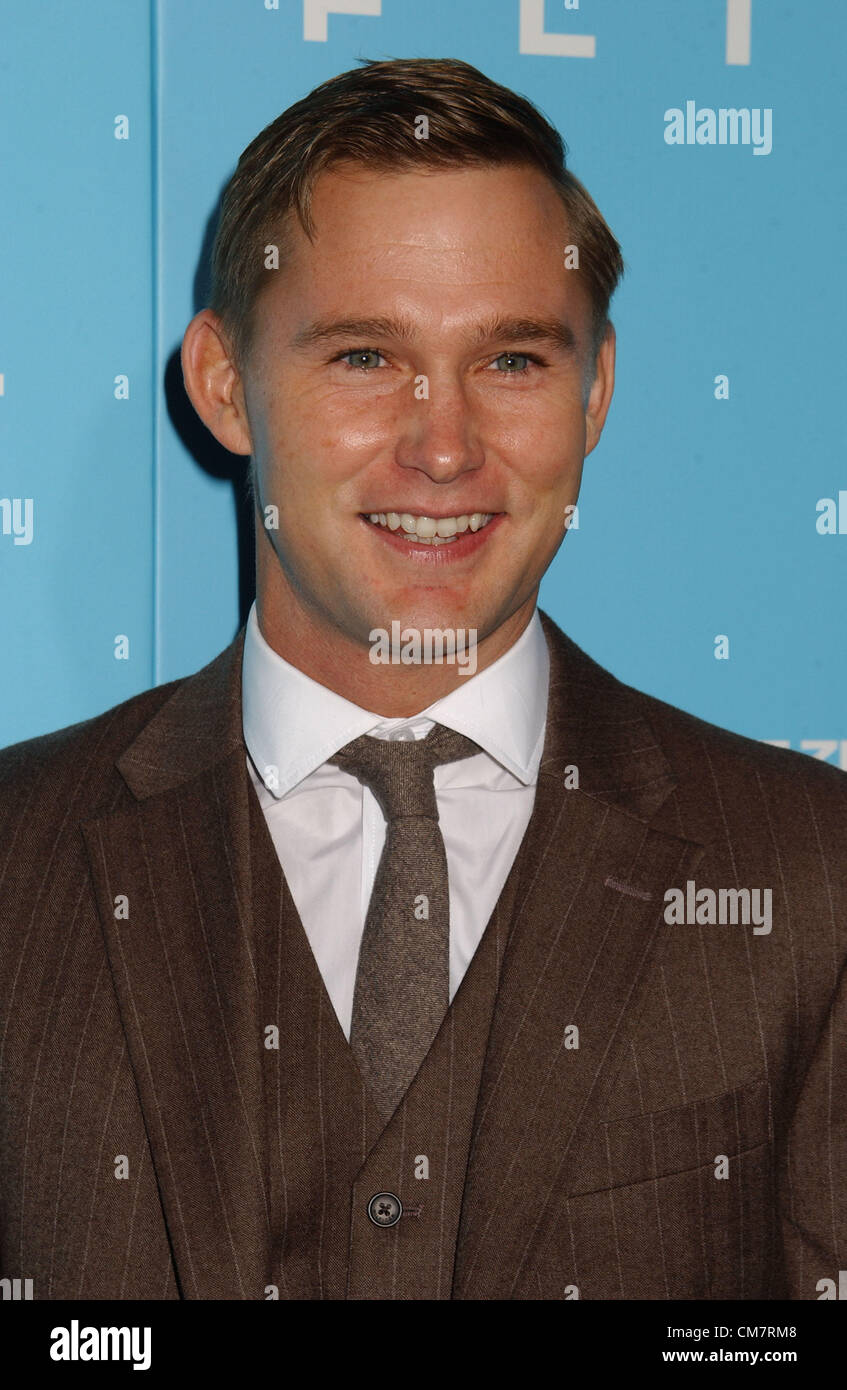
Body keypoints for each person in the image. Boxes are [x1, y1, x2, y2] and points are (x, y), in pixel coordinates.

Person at [1, 57, 844, 1301]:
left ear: (595, 389)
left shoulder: (812, 877)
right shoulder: (17, 860)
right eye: (361, 356)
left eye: (511, 362)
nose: (442, 445)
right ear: (224, 384)